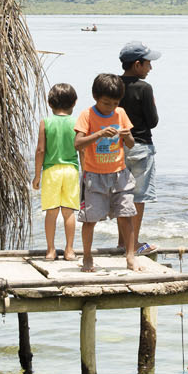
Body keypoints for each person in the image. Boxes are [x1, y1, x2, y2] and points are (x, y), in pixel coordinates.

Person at [75, 72, 140, 271]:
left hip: (119, 174)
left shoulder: (120, 114)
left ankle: (130, 257)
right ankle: (87, 257)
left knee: (126, 215)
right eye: (105, 103)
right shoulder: (87, 115)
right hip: (94, 176)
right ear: (95, 97)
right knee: (90, 219)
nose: (110, 107)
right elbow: (78, 143)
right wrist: (100, 133)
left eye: (114, 103)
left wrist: (127, 135)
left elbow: (130, 143)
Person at [118, 40, 162, 252]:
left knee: (121, 194)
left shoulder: (113, 85)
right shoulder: (144, 88)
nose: (150, 67)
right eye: (148, 63)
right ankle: (133, 244)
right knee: (138, 197)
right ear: (137, 64)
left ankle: (121, 242)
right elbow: (152, 121)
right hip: (141, 146)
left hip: (116, 146)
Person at [32, 82, 82, 261]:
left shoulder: (45, 122)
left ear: (50, 103)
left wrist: (37, 175)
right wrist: (85, 172)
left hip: (51, 170)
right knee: (69, 211)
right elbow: (81, 149)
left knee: (51, 212)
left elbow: (40, 151)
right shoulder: (77, 123)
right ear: (74, 102)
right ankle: (69, 250)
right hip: (71, 170)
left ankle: (51, 250)